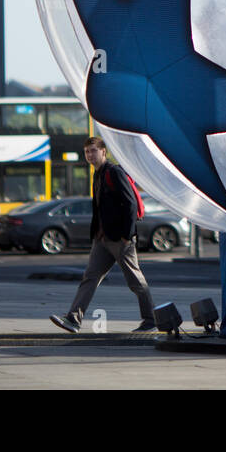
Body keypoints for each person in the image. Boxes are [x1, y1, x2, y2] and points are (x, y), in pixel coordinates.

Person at [50, 137, 156, 333]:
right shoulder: (97, 174)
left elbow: (131, 204)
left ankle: (151, 319)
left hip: (120, 239)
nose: (90, 155)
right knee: (89, 277)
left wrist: (126, 235)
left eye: (93, 151)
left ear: (103, 152)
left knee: (135, 280)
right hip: (102, 239)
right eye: (87, 152)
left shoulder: (114, 172)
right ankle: (73, 319)